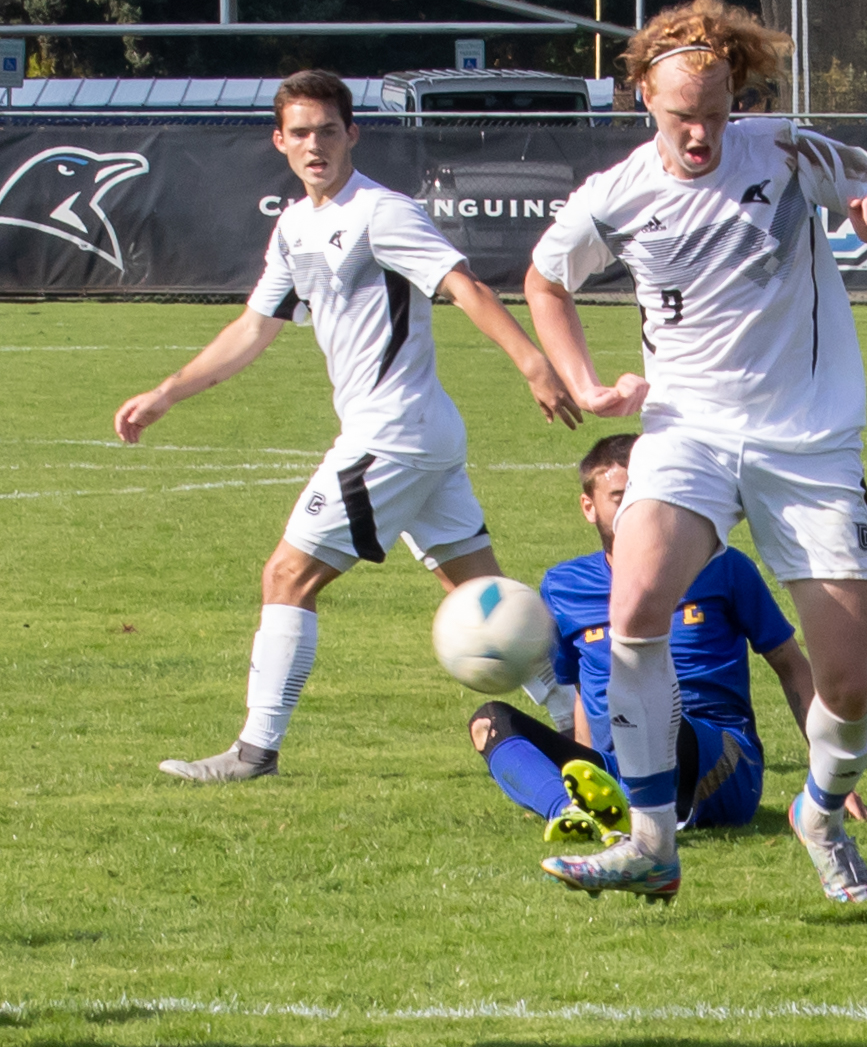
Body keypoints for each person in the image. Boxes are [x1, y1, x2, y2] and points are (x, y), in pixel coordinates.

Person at [522, 0, 867, 904]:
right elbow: (544, 279)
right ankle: (653, 841)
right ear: (643, 100)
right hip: (687, 429)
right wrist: (585, 381)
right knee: (633, 606)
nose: (699, 135)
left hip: (810, 444)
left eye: (713, 114)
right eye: (680, 117)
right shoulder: (616, 195)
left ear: (735, 96)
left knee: (849, 691)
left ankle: (819, 811)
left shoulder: (786, 150)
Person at [115, 69, 580, 782]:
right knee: (484, 599)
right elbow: (254, 327)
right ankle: (587, 718)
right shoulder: (297, 225)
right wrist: (166, 393)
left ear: (352, 134)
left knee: (286, 576)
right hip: (420, 434)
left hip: (389, 435)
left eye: (327, 130)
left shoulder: (379, 213)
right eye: (299, 133)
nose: (314, 145)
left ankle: (254, 751)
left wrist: (532, 362)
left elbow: (464, 285)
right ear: (279, 141)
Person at [469, 434, 867, 870]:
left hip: (720, 757)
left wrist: (829, 774)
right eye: (618, 497)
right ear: (588, 507)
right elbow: (583, 691)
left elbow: (792, 668)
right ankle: (572, 811)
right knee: (490, 721)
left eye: (640, 496)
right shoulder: (563, 587)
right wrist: (585, 763)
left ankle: (627, 808)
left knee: (660, 716)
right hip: (620, 762)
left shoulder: (725, 568)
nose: (629, 510)